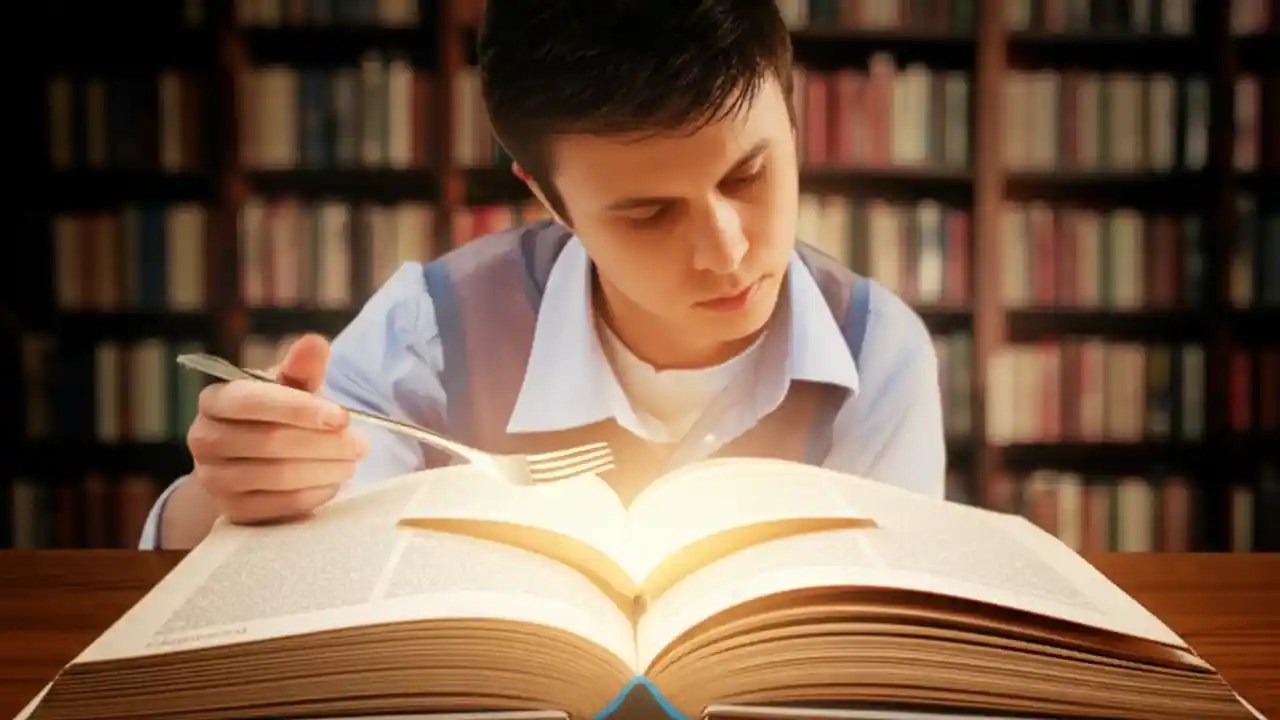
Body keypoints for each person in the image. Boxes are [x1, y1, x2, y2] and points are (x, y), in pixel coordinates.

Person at [140, 0, 946, 550]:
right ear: (549, 200)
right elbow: (292, 551)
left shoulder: (877, 354)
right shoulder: (429, 330)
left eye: (749, 175)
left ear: (793, 112)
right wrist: (233, 491)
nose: (726, 250)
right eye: (647, 214)